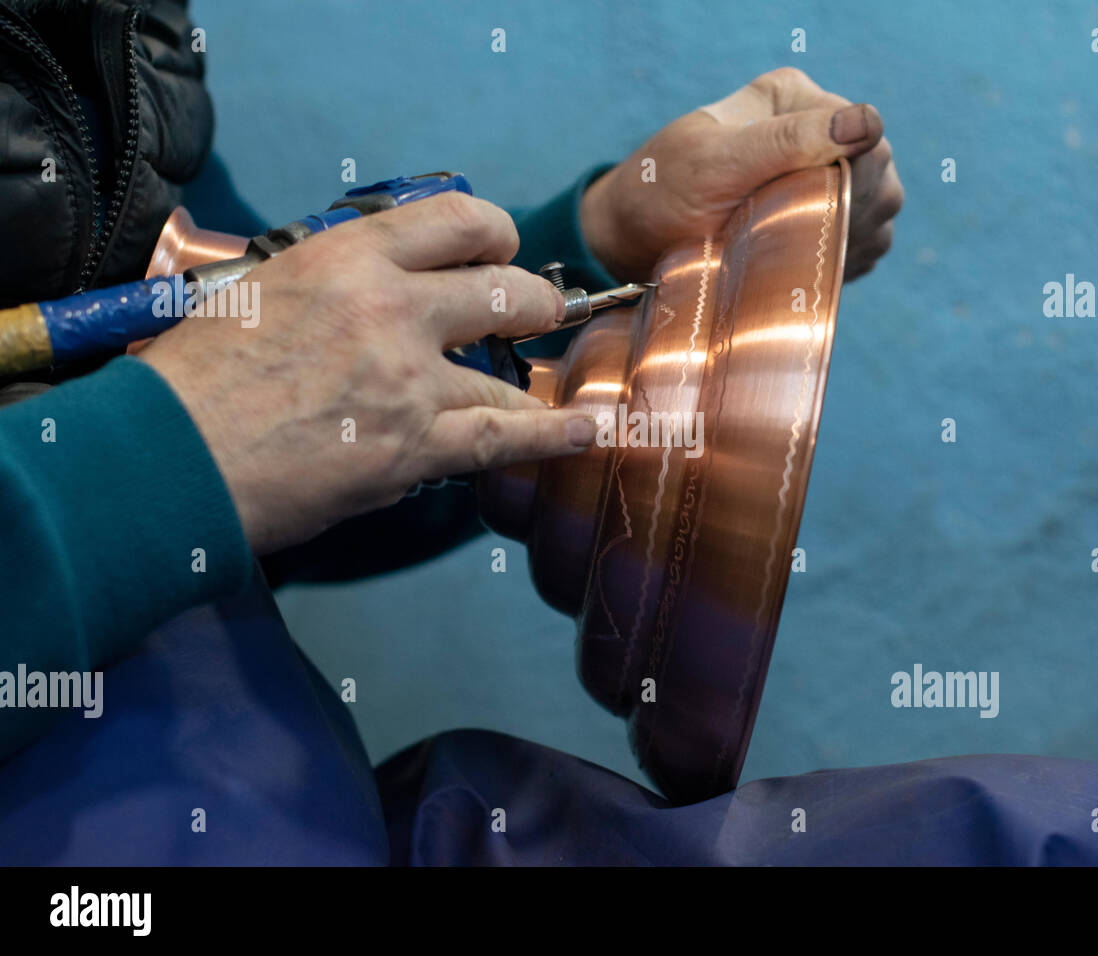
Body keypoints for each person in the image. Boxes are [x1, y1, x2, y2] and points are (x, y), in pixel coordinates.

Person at [0, 1, 902, 862]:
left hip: (282, 778)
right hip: (119, 812)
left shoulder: (106, 40)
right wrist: (183, 442)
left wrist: (611, 239)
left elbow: (264, 485)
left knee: (1019, 833)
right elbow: (205, 441)